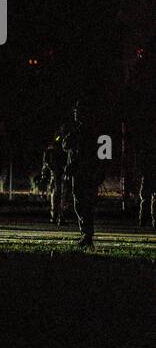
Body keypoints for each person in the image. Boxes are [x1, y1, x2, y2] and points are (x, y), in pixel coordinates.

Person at [61, 100, 102, 247]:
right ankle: (85, 233)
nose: (76, 114)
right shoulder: (76, 130)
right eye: (75, 112)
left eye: (78, 112)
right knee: (79, 203)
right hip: (77, 172)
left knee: (86, 204)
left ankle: (87, 234)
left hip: (88, 172)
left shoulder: (93, 131)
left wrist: (100, 171)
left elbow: (104, 151)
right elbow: (65, 145)